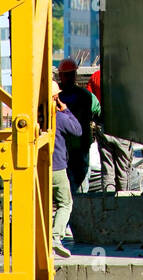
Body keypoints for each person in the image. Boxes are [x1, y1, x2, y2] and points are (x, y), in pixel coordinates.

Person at [86, 68, 134, 193]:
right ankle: (124, 201)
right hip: (123, 128)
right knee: (123, 170)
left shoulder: (95, 77)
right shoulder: (126, 78)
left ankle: (108, 202)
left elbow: (89, 102)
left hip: (104, 126)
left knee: (107, 169)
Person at [49, 78, 82, 258]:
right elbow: (77, 130)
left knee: (43, 204)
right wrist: (66, 109)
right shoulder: (59, 118)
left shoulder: (37, 117)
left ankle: (41, 238)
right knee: (65, 203)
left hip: (38, 169)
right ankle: (55, 237)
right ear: (55, 97)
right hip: (57, 169)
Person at [56, 58, 99, 193]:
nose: (69, 78)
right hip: (76, 147)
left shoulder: (55, 97)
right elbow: (99, 112)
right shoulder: (86, 96)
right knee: (80, 187)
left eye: (70, 74)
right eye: (68, 74)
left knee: (65, 189)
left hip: (63, 150)